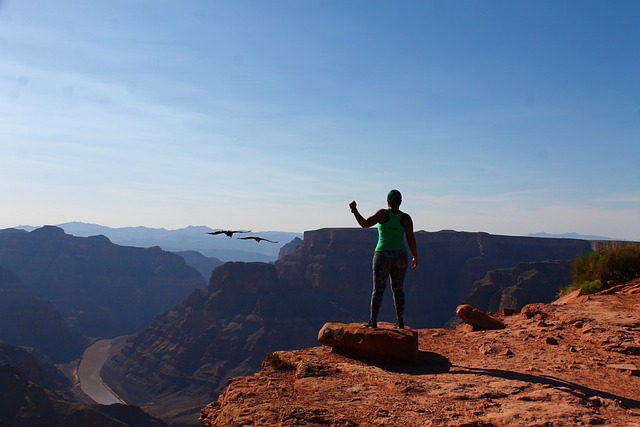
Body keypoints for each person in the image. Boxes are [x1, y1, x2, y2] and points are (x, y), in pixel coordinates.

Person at [349, 189, 418, 329]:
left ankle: (373, 321)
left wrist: (354, 210)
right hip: (400, 255)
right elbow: (411, 239)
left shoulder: (383, 214)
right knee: (398, 289)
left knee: (378, 288)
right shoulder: (406, 218)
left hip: (382, 254)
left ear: (388, 201)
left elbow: (364, 223)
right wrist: (415, 256)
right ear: (400, 202)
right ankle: (400, 321)